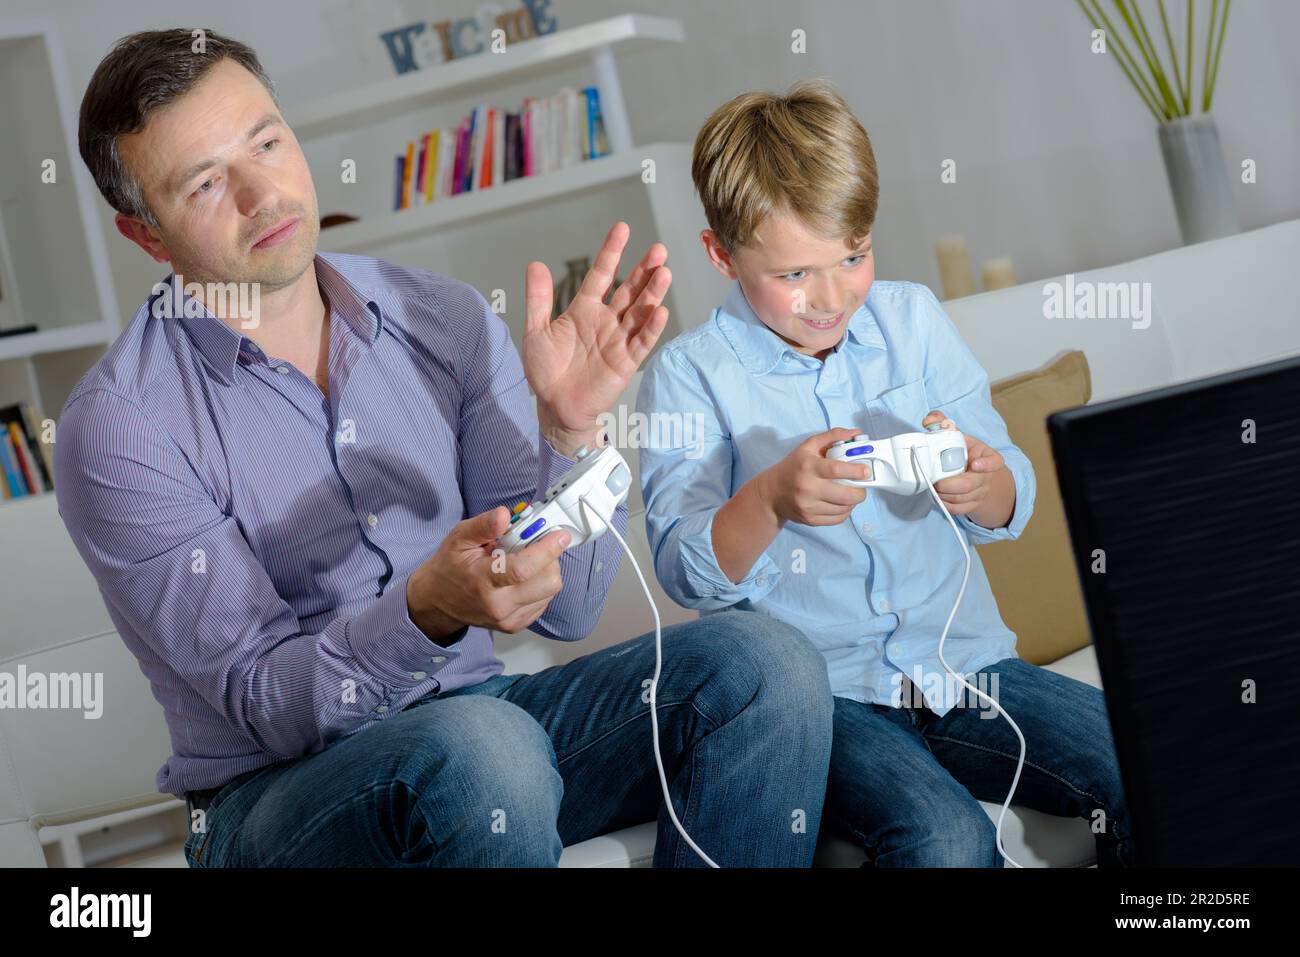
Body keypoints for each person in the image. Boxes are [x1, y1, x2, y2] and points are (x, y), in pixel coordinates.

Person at [56, 29, 834, 867]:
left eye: (268, 142)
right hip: (274, 797)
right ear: (146, 236)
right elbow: (266, 702)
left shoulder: (445, 319)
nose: (262, 195)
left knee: (765, 663)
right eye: (206, 183)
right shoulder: (119, 424)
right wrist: (426, 610)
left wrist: (568, 436)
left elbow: (567, 609)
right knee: (481, 750)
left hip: (487, 726)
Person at [637, 80, 1133, 867]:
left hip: (968, 667)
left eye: (854, 256)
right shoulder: (692, 374)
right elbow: (685, 568)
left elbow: (1011, 490)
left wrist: (983, 481)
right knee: (944, 837)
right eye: (795, 273)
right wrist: (769, 498)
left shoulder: (913, 319)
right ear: (721, 254)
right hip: (827, 703)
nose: (832, 297)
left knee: (1141, 759)